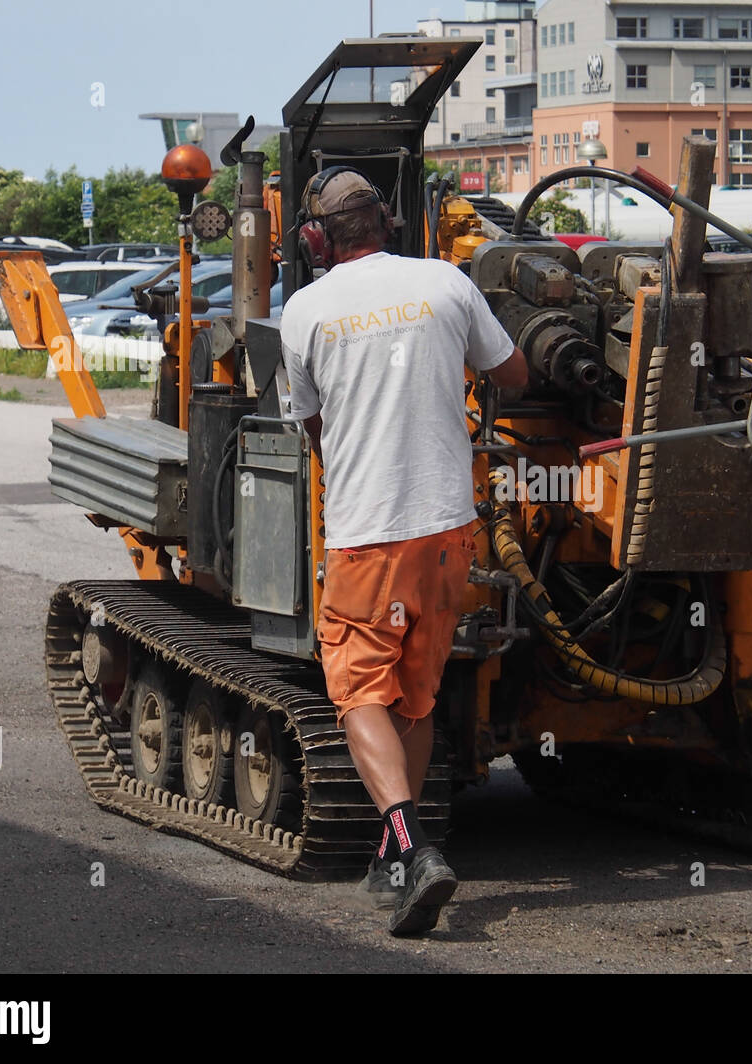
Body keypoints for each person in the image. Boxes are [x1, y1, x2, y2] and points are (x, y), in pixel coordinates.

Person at [280, 166, 528, 936]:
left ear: (317, 239)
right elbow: (513, 374)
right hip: (449, 532)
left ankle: (413, 848)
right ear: (389, 222)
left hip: (367, 533)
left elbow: (314, 430)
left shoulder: (305, 311)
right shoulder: (447, 283)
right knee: (413, 698)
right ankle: (396, 855)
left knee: (359, 693)